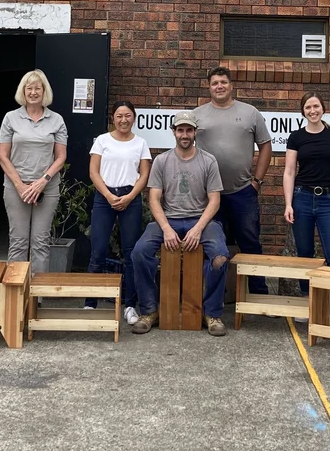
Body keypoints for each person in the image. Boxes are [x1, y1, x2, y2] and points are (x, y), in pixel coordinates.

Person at [129, 113, 230, 337]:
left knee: (220, 256)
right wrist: (166, 228)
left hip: (200, 220)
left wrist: (197, 229)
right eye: (180, 130)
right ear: (173, 132)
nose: (185, 135)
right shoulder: (162, 161)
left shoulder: (208, 161)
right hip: (169, 219)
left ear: (195, 133)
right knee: (139, 252)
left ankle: (211, 313)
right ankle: (149, 311)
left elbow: (214, 200)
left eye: (189, 130)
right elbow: (154, 198)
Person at [192, 66, 272, 294]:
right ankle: (212, 298)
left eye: (223, 82)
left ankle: (258, 294)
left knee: (250, 243)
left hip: (242, 191)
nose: (219, 86)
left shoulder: (250, 113)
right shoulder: (197, 115)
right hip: (208, 195)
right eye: (215, 83)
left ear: (231, 85)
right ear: (209, 87)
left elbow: (266, 145)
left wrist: (257, 180)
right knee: (212, 246)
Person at [283, 91, 330, 316]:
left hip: (329, 200)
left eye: (316, 106)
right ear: (303, 111)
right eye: (308, 107)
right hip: (302, 198)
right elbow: (289, 171)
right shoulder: (296, 137)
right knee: (305, 253)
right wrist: (288, 204)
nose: (312, 111)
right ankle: (307, 304)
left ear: (323, 108)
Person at [87, 99, 151, 325]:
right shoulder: (102, 141)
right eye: (119, 116)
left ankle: (130, 305)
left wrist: (130, 197)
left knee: (131, 252)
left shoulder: (141, 143)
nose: (124, 120)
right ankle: (90, 303)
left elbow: (144, 175)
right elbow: (94, 172)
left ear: (134, 118)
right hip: (105, 197)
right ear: (113, 118)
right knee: (98, 250)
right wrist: (108, 195)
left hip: (130, 198)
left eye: (128, 116)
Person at [0, 69, 68, 272]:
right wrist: (20, 185)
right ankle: (16, 293)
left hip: (46, 187)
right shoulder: (11, 118)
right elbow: (3, 155)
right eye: (29, 88)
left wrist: (42, 181)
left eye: (38, 88)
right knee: (18, 241)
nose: (34, 92)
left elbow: (61, 157)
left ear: (45, 91)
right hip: (15, 187)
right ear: (23, 91)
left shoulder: (56, 120)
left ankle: (37, 296)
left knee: (40, 242)